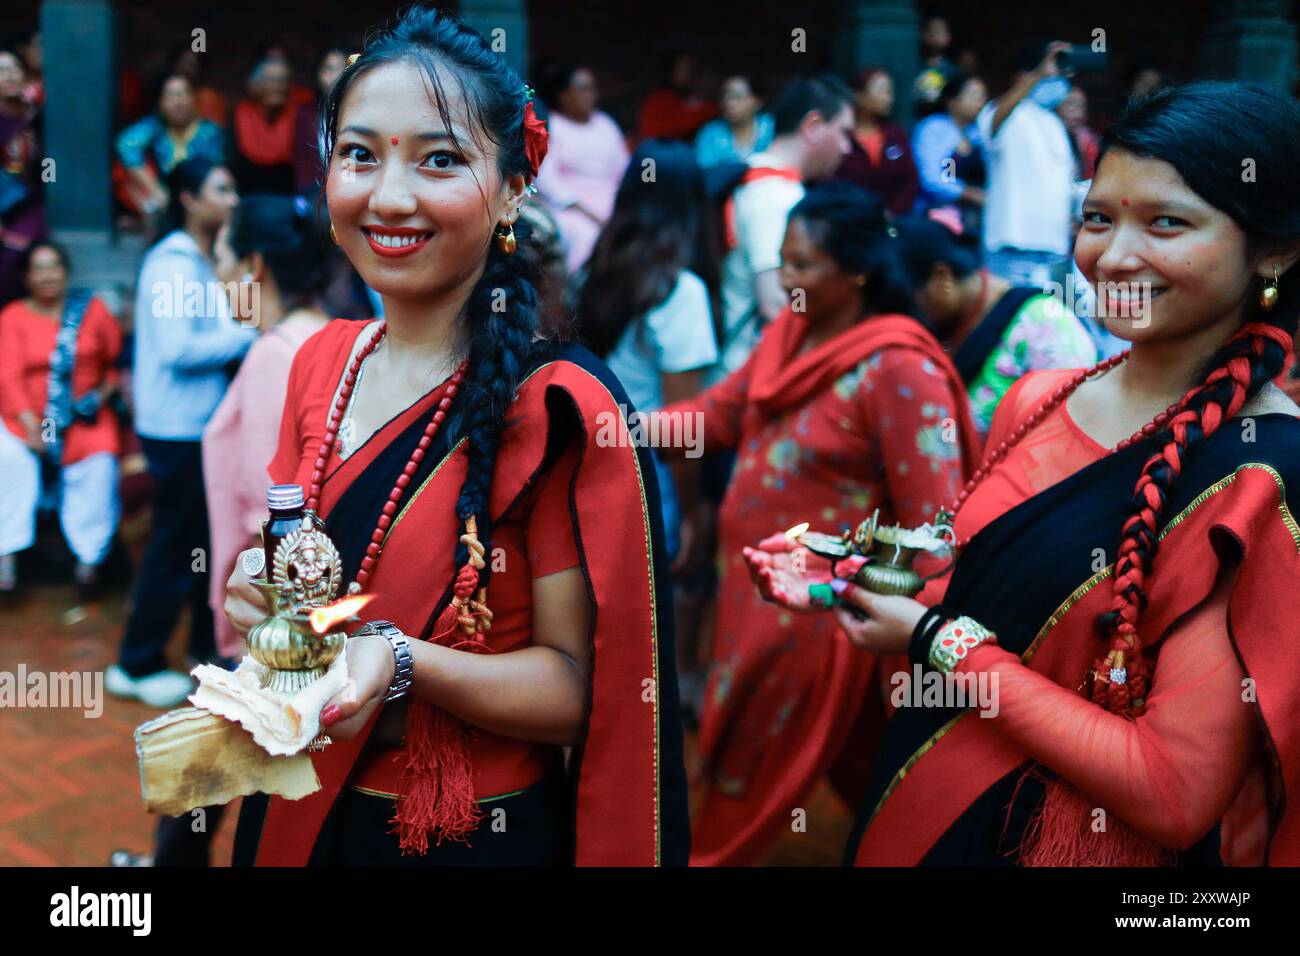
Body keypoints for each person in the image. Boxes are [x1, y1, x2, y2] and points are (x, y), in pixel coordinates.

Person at [747, 82, 1300, 867]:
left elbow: (1174, 790)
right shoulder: (1039, 399)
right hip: (914, 803)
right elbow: (991, 591)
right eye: (1098, 217)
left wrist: (936, 642)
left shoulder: (1263, 475)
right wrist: (863, 573)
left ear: (1275, 248)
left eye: (1167, 223)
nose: (1112, 255)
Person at [224, 7, 689, 866]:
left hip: (467, 834)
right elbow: (303, 566)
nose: (389, 197)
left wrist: (401, 661)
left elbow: (575, 690)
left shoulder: (556, 406)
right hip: (300, 800)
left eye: (439, 160)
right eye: (360, 154)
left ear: (513, 188)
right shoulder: (319, 362)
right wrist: (259, 594)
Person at [661, 183, 981, 865]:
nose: (787, 282)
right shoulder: (791, 333)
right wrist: (620, 429)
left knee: (756, 759)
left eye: (804, 266)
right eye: (783, 262)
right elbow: (716, 417)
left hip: (825, 616)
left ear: (859, 269)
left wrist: (893, 617)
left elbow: (936, 529)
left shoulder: (901, 367)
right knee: (859, 767)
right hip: (754, 595)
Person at [107, 159, 254, 709]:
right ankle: (136, 661)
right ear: (189, 198)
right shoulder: (172, 264)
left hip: (191, 427)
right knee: (175, 545)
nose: (234, 199)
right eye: (223, 188)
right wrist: (249, 337)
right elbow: (178, 350)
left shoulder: (193, 260)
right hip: (177, 429)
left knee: (195, 542)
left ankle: (203, 651)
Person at [205, 194, 331, 659]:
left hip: (274, 619)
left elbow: (268, 509)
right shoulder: (331, 335)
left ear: (253, 266)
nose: (216, 278)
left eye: (220, 258)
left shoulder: (272, 356)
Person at [894, 214, 1097, 435]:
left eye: (911, 300)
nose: (908, 314)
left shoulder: (1042, 324)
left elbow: (1071, 427)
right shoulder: (933, 330)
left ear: (942, 277)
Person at [713, 73, 854, 385]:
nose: (846, 148)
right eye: (843, 133)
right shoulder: (775, 195)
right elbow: (775, 302)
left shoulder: (764, 178)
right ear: (813, 126)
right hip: (750, 375)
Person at [0, 243, 123, 592]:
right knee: (10, 461)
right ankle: (7, 557)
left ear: (66, 272)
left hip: (82, 417)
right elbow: (7, 377)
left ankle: (89, 561)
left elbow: (113, 362)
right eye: (39, 268)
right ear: (26, 277)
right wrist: (31, 426)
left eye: (54, 266)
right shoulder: (12, 316)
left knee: (98, 464)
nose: (48, 275)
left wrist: (101, 395)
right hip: (22, 418)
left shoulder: (92, 310)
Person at [976, 42, 1077, 287]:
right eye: (1049, 72)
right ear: (1023, 76)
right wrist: (1039, 73)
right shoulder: (1002, 113)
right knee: (1010, 320)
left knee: (1044, 323)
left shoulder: (1054, 122)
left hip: (1054, 247)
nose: (1056, 79)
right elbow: (993, 125)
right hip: (1012, 245)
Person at [533, 65, 629, 275]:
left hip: (612, 204)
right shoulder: (552, 126)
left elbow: (624, 170)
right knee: (586, 237)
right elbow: (547, 180)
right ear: (564, 95)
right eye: (585, 89)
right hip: (571, 209)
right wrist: (592, 214)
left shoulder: (606, 124)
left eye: (593, 89)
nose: (592, 95)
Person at [114, 73, 226, 220]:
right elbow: (126, 145)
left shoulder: (209, 132)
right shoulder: (155, 126)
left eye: (183, 95)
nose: (178, 103)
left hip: (201, 202)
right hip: (165, 200)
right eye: (171, 96)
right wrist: (154, 188)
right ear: (161, 102)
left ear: (193, 100)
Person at [836, 67, 919, 217]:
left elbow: (910, 182)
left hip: (893, 222)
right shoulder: (842, 137)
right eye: (882, 91)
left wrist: (891, 213)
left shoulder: (896, 135)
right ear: (859, 95)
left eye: (890, 92)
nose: (889, 99)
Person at [0, 48, 46, 308]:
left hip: (28, 202)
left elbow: (46, 162)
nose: (9, 76)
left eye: (14, 69)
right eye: (1, 71)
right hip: (4, 205)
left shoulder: (34, 113)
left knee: (32, 256)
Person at [910, 72, 986, 227]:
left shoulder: (977, 133)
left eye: (983, 97)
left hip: (976, 219)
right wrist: (967, 194)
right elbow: (936, 177)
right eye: (974, 96)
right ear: (952, 101)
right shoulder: (934, 128)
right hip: (937, 214)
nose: (980, 102)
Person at [230, 57, 311, 196]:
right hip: (248, 194)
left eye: (283, 80)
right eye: (272, 80)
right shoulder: (240, 114)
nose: (279, 86)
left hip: (290, 195)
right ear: (254, 85)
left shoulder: (300, 114)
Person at [294, 47, 348, 194]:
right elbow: (302, 159)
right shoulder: (306, 113)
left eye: (341, 68)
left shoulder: (358, 112)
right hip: (315, 192)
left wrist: (350, 185)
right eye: (328, 69)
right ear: (318, 73)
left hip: (350, 187)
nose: (335, 76)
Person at [694, 75, 773, 169]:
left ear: (758, 102)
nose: (728, 102)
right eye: (724, 96)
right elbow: (705, 172)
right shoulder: (711, 133)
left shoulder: (771, 127)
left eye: (736, 96)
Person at [638, 52, 718, 143]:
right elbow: (655, 132)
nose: (688, 74)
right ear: (672, 72)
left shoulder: (706, 104)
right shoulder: (658, 99)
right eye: (682, 69)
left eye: (692, 70)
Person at [912, 14, 957, 112]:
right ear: (924, 34)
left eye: (942, 31)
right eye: (934, 31)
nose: (937, 35)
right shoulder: (915, 64)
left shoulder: (952, 70)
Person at [1058, 85, 1099, 180]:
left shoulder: (1089, 142)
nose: (1079, 115)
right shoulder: (1046, 140)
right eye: (1071, 106)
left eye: (1083, 108)